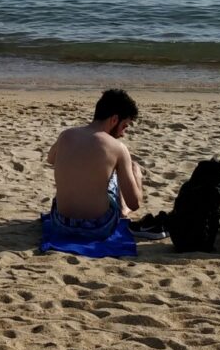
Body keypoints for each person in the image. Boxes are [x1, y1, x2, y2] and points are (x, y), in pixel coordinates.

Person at [41, 89, 144, 257]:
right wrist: (137, 177)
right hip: (98, 228)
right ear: (114, 119)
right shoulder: (118, 148)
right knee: (126, 171)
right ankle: (122, 210)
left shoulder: (66, 135)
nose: (123, 133)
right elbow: (135, 203)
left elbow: (51, 159)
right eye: (124, 126)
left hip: (61, 223)